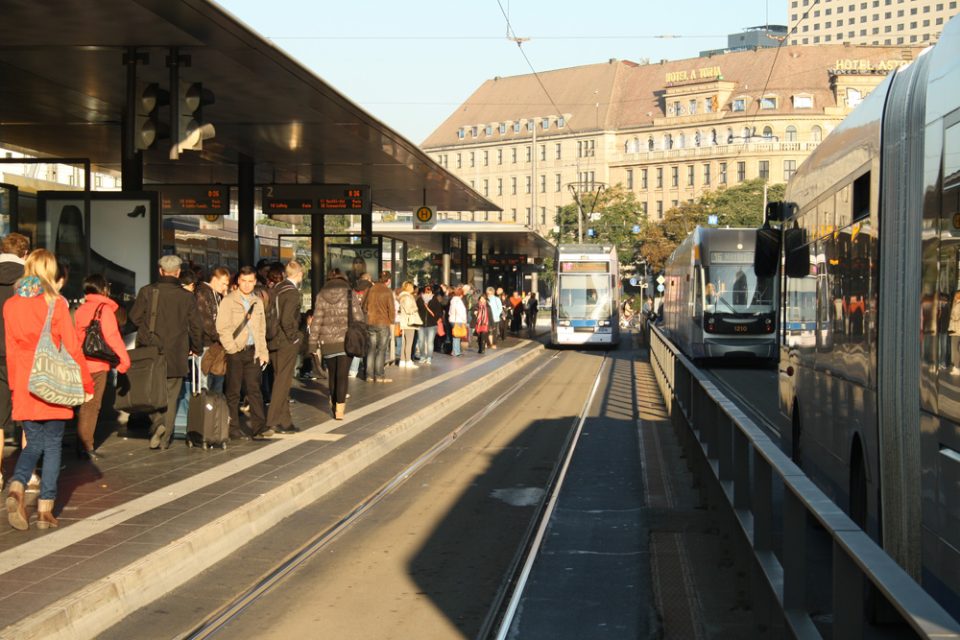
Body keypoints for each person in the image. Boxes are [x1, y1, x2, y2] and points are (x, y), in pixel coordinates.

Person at [4, 249, 94, 530]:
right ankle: (45, 510)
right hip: (52, 379)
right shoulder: (55, 303)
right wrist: (85, 381)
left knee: (33, 439)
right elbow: (71, 346)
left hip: (24, 380)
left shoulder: (11, 304)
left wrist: (13, 385)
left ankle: (18, 483)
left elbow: (10, 348)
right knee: (52, 444)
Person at [129, 255, 202, 450]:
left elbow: (134, 318)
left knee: (149, 393)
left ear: (160, 271)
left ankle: (158, 423)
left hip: (150, 352)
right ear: (178, 272)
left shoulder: (147, 292)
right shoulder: (187, 297)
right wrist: (196, 347)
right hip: (176, 353)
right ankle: (164, 439)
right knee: (171, 396)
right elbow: (196, 326)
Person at [74, 274, 130, 461]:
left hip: (80, 362)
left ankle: (81, 442)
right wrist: (124, 360)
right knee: (92, 405)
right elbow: (112, 337)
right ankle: (86, 445)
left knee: (84, 403)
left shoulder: (80, 309)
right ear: (103, 289)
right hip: (97, 364)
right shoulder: (104, 310)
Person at [217, 266, 273, 441]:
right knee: (233, 391)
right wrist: (231, 348)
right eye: (244, 281)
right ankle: (233, 428)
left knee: (254, 390)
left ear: (255, 282)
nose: (247, 285)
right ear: (238, 281)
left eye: (251, 281)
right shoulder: (228, 301)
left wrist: (263, 351)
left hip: (253, 352)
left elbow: (261, 329)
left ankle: (259, 427)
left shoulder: (257, 302)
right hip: (236, 351)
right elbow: (222, 327)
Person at [309, 271, 363, 420]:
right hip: (347, 341)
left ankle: (333, 401)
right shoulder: (349, 294)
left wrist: (312, 343)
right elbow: (359, 317)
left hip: (327, 342)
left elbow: (316, 320)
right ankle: (339, 408)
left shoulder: (321, 295)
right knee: (342, 375)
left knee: (332, 374)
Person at [0, 232, 28, 489]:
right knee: (27, 411)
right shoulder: (29, 280)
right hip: (20, 352)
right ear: (25, 253)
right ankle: (25, 472)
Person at [266, 261, 304, 434]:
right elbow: (287, 319)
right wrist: (295, 338)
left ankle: (285, 420)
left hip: (272, 339)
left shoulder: (277, 288)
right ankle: (273, 419)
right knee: (283, 381)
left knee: (278, 378)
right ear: (299, 274)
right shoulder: (293, 293)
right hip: (285, 342)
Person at [197, 267, 230, 393]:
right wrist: (221, 337)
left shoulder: (217, 295)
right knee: (206, 381)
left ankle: (215, 409)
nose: (225, 287)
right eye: (223, 283)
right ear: (214, 279)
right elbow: (206, 321)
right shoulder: (203, 293)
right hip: (206, 343)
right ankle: (206, 410)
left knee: (217, 380)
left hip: (216, 343)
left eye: (227, 284)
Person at [362, 271, 395, 383]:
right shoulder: (387, 291)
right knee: (381, 350)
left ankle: (369, 376)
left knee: (371, 349)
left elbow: (364, 306)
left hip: (370, 322)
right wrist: (391, 320)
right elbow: (391, 309)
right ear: (388, 280)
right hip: (383, 323)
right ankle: (379, 375)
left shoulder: (370, 289)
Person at [397, 281, 421, 368]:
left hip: (405, 321)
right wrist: (415, 308)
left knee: (405, 342)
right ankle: (408, 361)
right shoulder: (407, 297)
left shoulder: (402, 296)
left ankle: (403, 360)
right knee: (409, 342)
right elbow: (409, 309)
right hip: (409, 322)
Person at [416, 286, 441, 365]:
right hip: (421, 324)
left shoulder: (434, 300)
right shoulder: (420, 300)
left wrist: (436, 319)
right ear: (424, 291)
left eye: (429, 290)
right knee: (421, 341)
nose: (428, 292)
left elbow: (439, 312)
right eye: (427, 290)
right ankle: (423, 356)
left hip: (432, 324)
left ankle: (429, 357)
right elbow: (417, 310)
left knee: (429, 342)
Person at [448, 287, 467, 357]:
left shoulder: (452, 300)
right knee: (457, 336)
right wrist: (464, 320)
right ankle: (456, 352)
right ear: (461, 294)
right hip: (458, 320)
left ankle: (455, 351)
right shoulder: (458, 301)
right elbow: (461, 312)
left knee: (455, 335)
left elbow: (450, 312)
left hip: (452, 319)